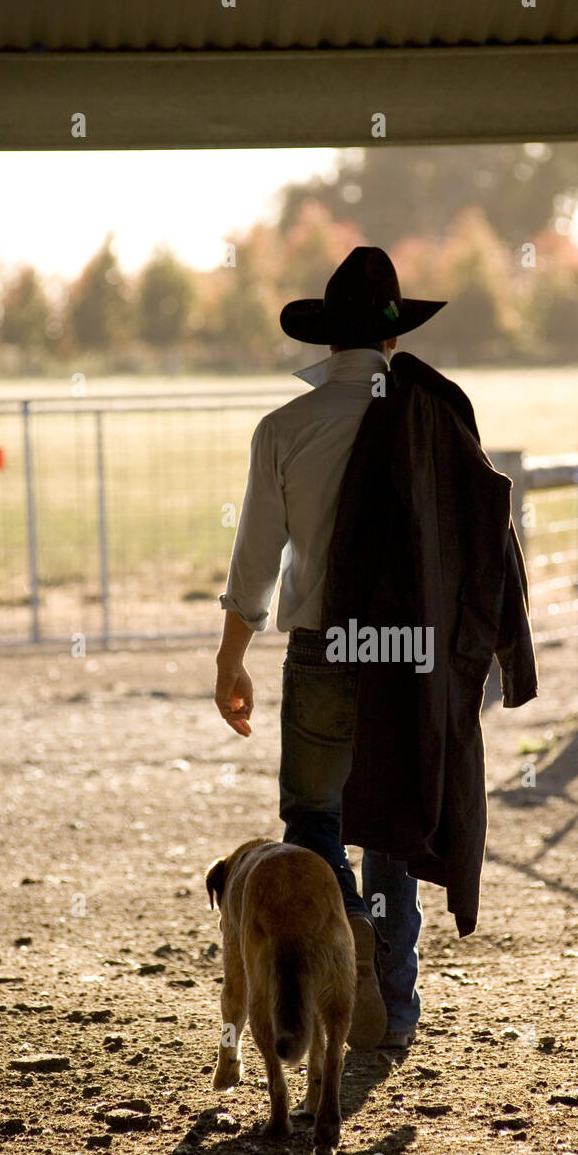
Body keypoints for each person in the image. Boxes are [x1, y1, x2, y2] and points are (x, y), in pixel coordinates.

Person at [215, 247, 447, 1051]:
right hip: (408, 654)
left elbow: (255, 556)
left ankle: (338, 929)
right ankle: (395, 1008)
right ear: (390, 342)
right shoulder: (427, 418)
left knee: (314, 818)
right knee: (393, 826)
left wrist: (230, 655)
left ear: (326, 340)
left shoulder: (283, 429)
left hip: (321, 648)